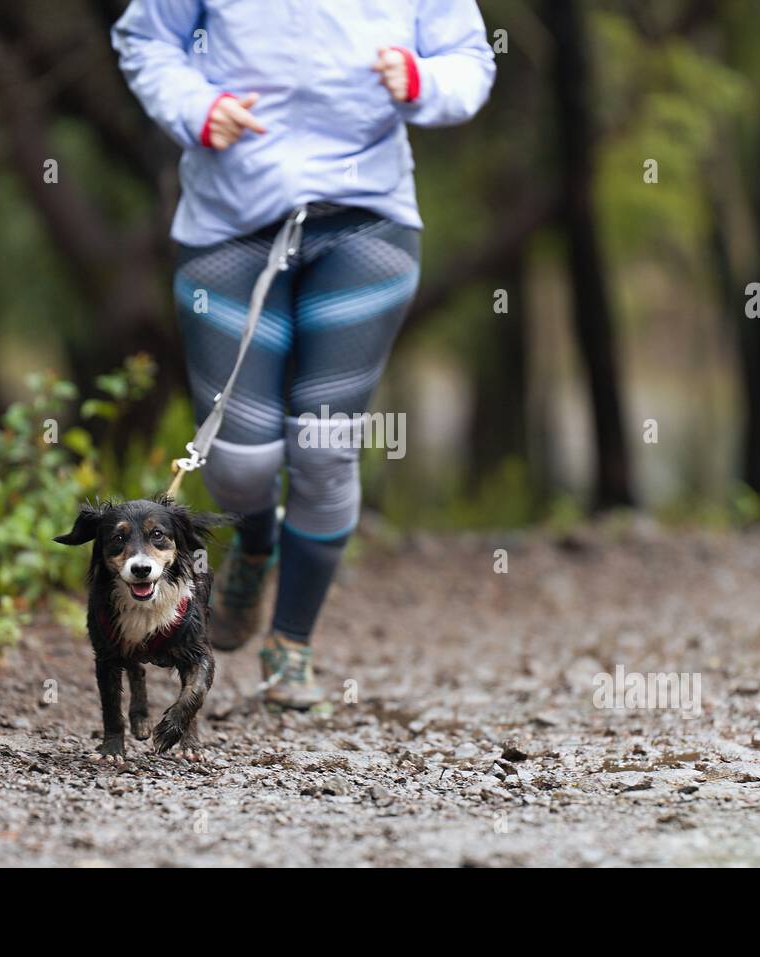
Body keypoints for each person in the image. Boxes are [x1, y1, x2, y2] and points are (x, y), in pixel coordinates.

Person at [112, 0, 495, 709]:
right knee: (242, 462)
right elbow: (146, 37)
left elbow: (469, 62)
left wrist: (419, 80)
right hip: (230, 224)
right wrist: (197, 107)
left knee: (323, 446)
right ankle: (254, 544)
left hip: (368, 221)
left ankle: (292, 640)